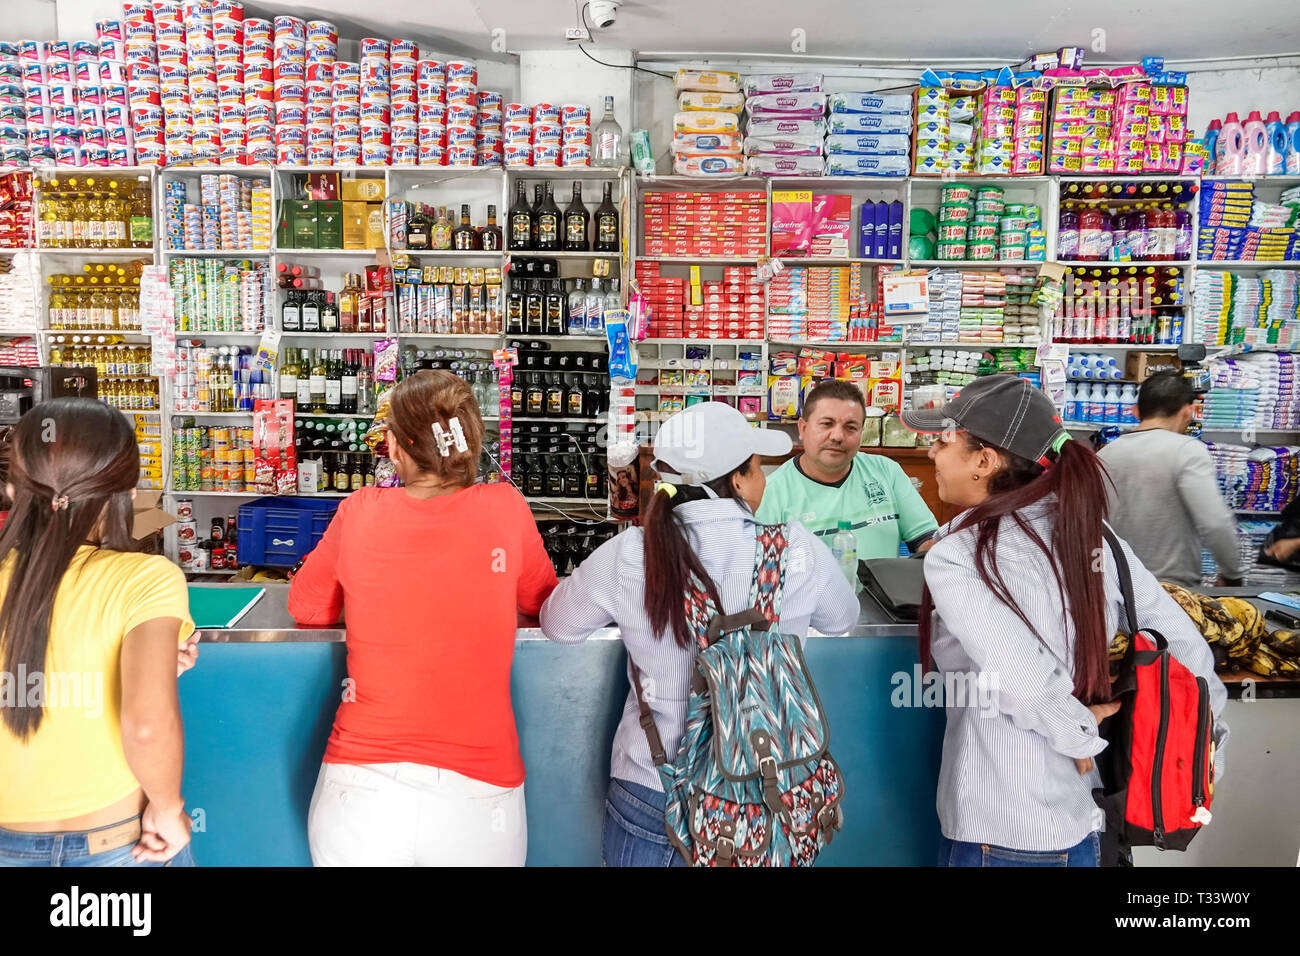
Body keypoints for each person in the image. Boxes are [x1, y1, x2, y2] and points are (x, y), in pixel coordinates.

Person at [901, 375, 1228, 867]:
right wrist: (1204, 750)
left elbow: (1021, 674)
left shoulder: (959, 555)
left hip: (1001, 821)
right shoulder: (1096, 537)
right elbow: (1187, 651)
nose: (932, 454)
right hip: (1082, 821)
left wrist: (1079, 734)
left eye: (943, 441)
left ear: (984, 462)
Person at [539, 401, 860, 866]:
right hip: (765, 796)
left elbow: (559, 626)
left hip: (653, 790)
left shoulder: (629, 553)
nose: (762, 478)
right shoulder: (795, 550)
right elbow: (842, 619)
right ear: (738, 480)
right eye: (756, 467)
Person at [290, 370, 557, 867]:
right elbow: (542, 601)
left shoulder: (360, 511)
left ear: (393, 447)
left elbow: (306, 606)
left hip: (360, 790)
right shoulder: (505, 507)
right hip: (479, 796)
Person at [0, 398, 196, 867]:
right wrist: (168, 809)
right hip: (119, 844)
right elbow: (146, 726)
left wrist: (139, 669)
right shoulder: (145, 578)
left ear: (11, 490)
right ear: (128, 491)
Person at [758, 379, 938, 560]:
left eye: (850, 427)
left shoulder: (886, 471)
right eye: (827, 424)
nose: (837, 436)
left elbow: (927, 540)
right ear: (803, 428)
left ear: (861, 432)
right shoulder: (770, 494)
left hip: (885, 588)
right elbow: (768, 575)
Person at [1098, 371, 1244, 588]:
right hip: (1170, 590)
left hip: (1114, 585)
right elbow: (1214, 523)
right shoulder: (1188, 451)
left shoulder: (1104, 455)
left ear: (1136, 411)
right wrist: (1233, 575)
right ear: (1187, 412)